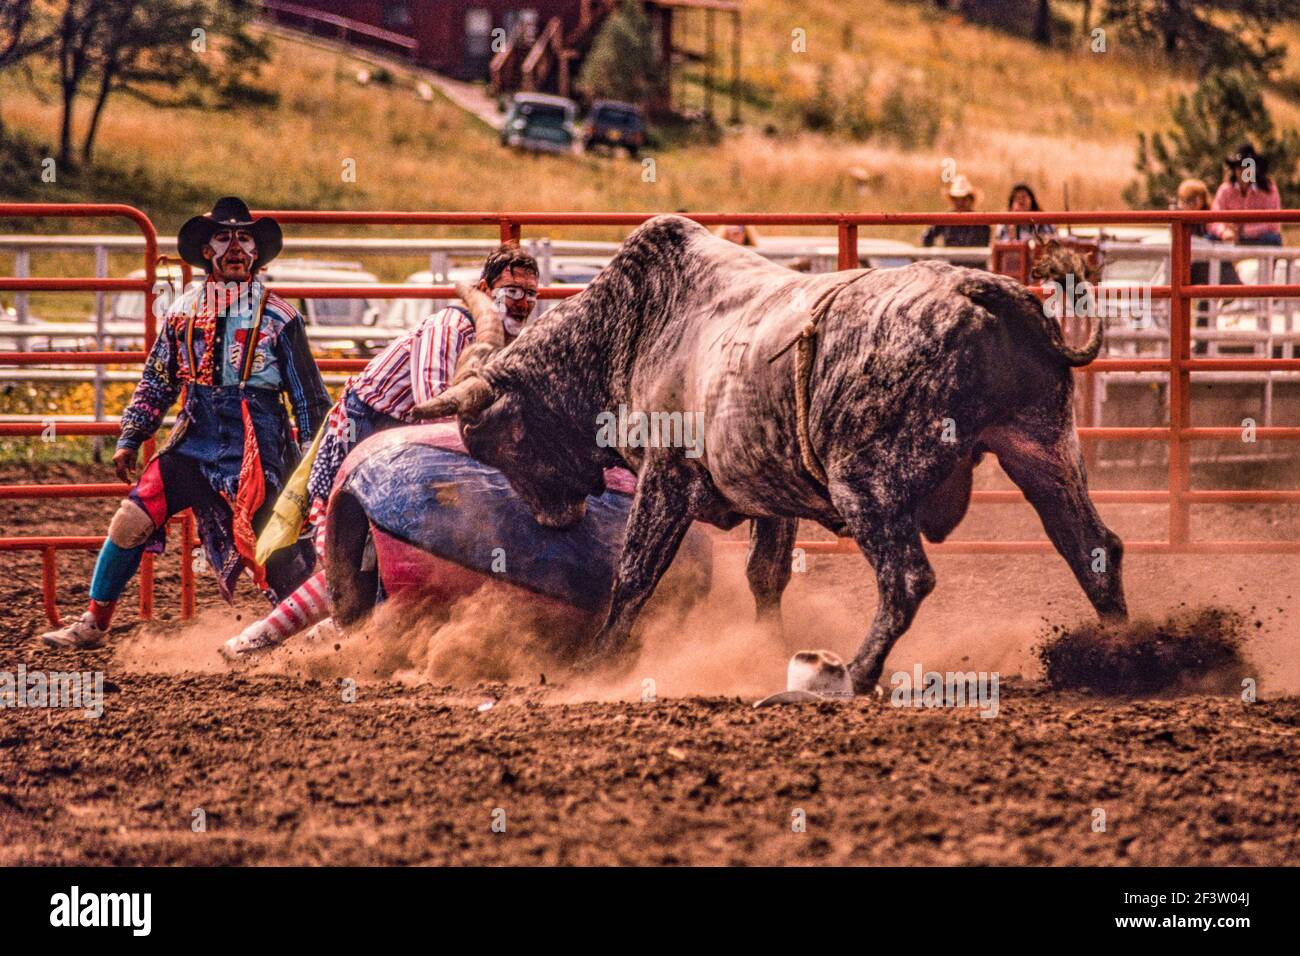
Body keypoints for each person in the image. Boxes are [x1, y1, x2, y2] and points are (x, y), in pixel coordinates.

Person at [218, 243, 541, 659]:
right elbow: (433, 405)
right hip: (365, 438)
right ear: (484, 289)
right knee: (354, 559)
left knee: (390, 557)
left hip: (408, 449)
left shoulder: (498, 346)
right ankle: (254, 643)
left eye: (531, 294)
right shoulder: (450, 328)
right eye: (512, 292)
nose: (523, 303)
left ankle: (311, 648)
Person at [41, 197, 332, 649]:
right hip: (194, 436)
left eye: (245, 238)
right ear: (207, 250)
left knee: (272, 543)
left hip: (259, 444)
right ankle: (94, 623)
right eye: (224, 237)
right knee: (132, 517)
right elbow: (159, 378)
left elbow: (308, 398)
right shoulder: (182, 312)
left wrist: (317, 461)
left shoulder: (280, 317)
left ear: (257, 252)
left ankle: (311, 630)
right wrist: (132, 434)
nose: (235, 247)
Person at [1208, 143, 1283, 246]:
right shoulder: (1225, 190)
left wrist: (1245, 232)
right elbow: (1214, 219)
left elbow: (1273, 224)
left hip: (1258, 239)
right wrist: (1224, 232)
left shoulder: (1269, 189)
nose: (1244, 171)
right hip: (1230, 238)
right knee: (1210, 238)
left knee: (1272, 239)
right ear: (1234, 170)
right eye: (1239, 167)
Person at [921, 175, 991, 248]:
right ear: (952, 200)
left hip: (972, 258)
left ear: (971, 200)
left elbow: (984, 247)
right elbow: (927, 237)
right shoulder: (945, 218)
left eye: (964, 199)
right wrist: (937, 254)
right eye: (956, 199)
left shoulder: (981, 221)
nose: (960, 203)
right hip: (950, 258)